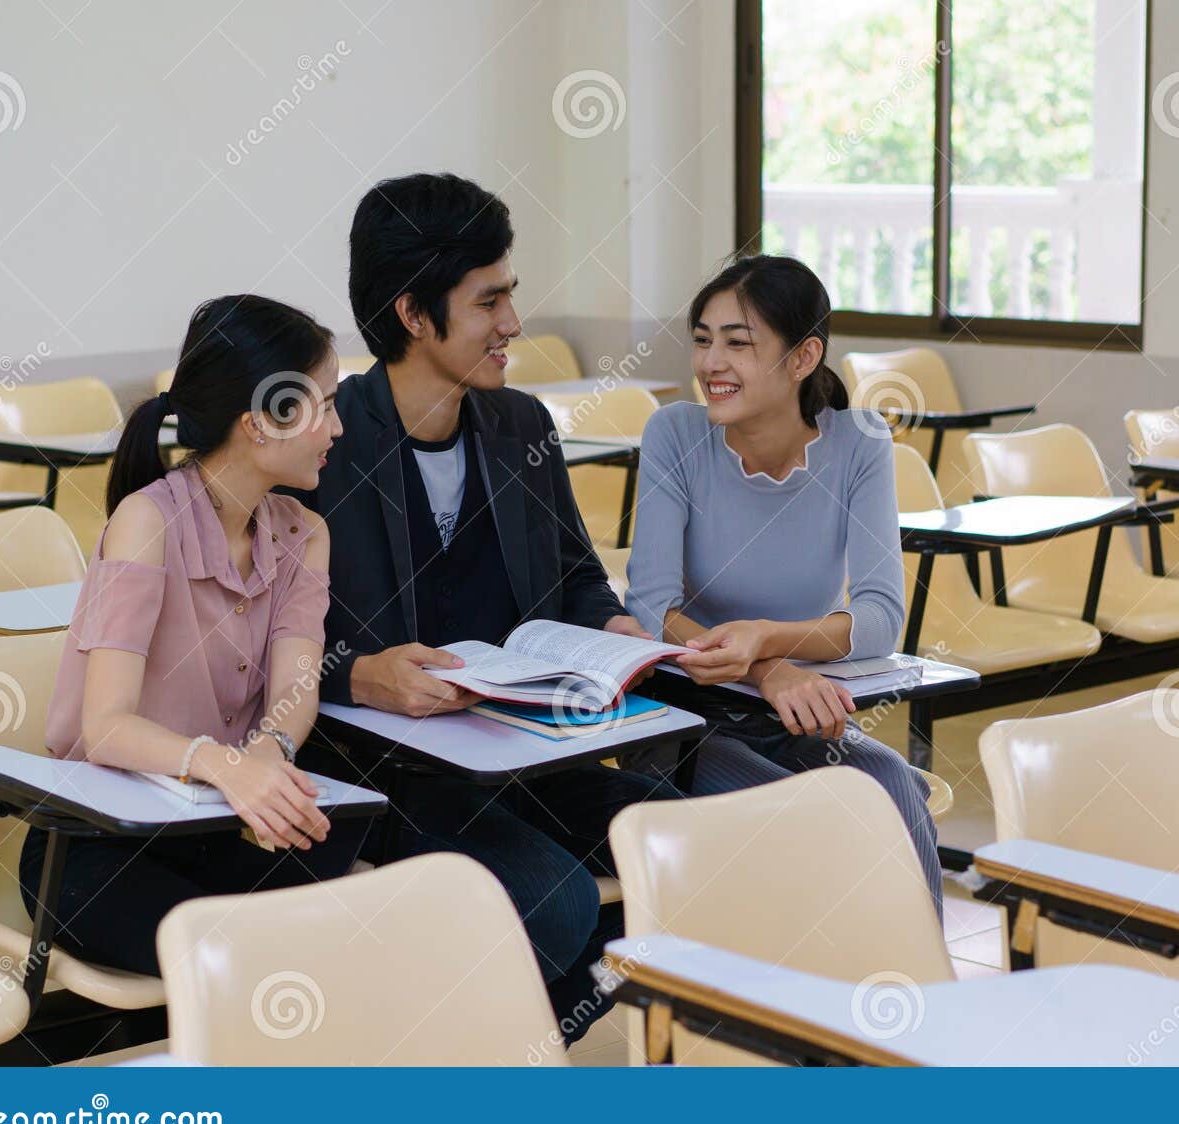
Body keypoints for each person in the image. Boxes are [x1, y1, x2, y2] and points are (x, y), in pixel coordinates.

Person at [296, 172, 677, 1042]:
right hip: (384, 773)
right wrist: (357, 677)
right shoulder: (326, 443)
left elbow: (578, 576)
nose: (513, 323)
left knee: (688, 845)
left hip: (530, 752)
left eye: (510, 295)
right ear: (413, 314)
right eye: (489, 301)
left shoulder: (521, 427)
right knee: (554, 899)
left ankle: (501, 1053)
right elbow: (259, 649)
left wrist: (617, 631)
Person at [23, 294, 360, 976]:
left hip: (216, 823)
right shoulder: (145, 523)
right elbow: (108, 727)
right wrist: (230, 766)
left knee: (346, 850)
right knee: (248, 955)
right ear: (260, 424)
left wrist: (268, 750)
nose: (339, 427)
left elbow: (297, 688)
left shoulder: (305, 532)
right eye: (324, 404)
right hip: (101, 841)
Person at [626, 254, 942, 911]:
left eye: (738, 343)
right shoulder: (673, 434)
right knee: (807, 816)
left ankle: (924, 992)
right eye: (704, 340)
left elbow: (882, 618)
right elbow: (652, 609)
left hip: (801, 713)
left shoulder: (859, 442)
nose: (712, 363)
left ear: (804, 357)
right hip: (686, 719)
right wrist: (769, 670)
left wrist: (767, 640)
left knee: (898, 791)